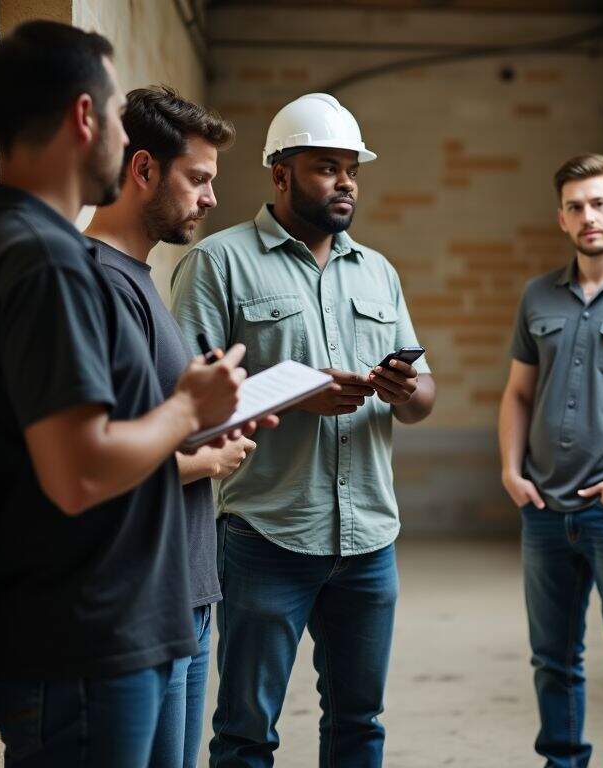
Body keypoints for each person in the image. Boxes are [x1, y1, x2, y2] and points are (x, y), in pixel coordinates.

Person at [0, 21, 257, 767]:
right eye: (117, 116)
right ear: (85, 119)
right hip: (84, 643)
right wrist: (188, 411)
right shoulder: (48, 261)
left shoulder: (23, 241)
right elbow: (80, 469)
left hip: (99, 637)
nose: (125, 142)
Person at [170, 92, 436, 767]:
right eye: (326, 167)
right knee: (245, 732)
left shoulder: (377, 271)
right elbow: (183, 410)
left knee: (359, 721)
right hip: (267, 537)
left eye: (352, 169)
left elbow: (424, 395)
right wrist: (296, 395)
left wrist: (406, 391)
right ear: (280, 174)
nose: (345, 182)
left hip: (370, 540)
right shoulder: (218, 265)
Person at [83, 85, 247, 768]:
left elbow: (152, 423)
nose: (210, 198)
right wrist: (207, 461)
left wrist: (216, 422)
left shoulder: (144, 278)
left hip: (188, 589)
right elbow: (92, 464)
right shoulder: (93, 281)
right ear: (143, 169)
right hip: (136, 610)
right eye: (199, 179)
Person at [499, 154, 603, 768]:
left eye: (599, 203)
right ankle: (563, 761)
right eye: (574, 206)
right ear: (561, 219)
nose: (587, 215)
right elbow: (519, 391)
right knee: (553, 657)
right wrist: (510, 471)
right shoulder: (538, 295)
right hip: (544, 507)